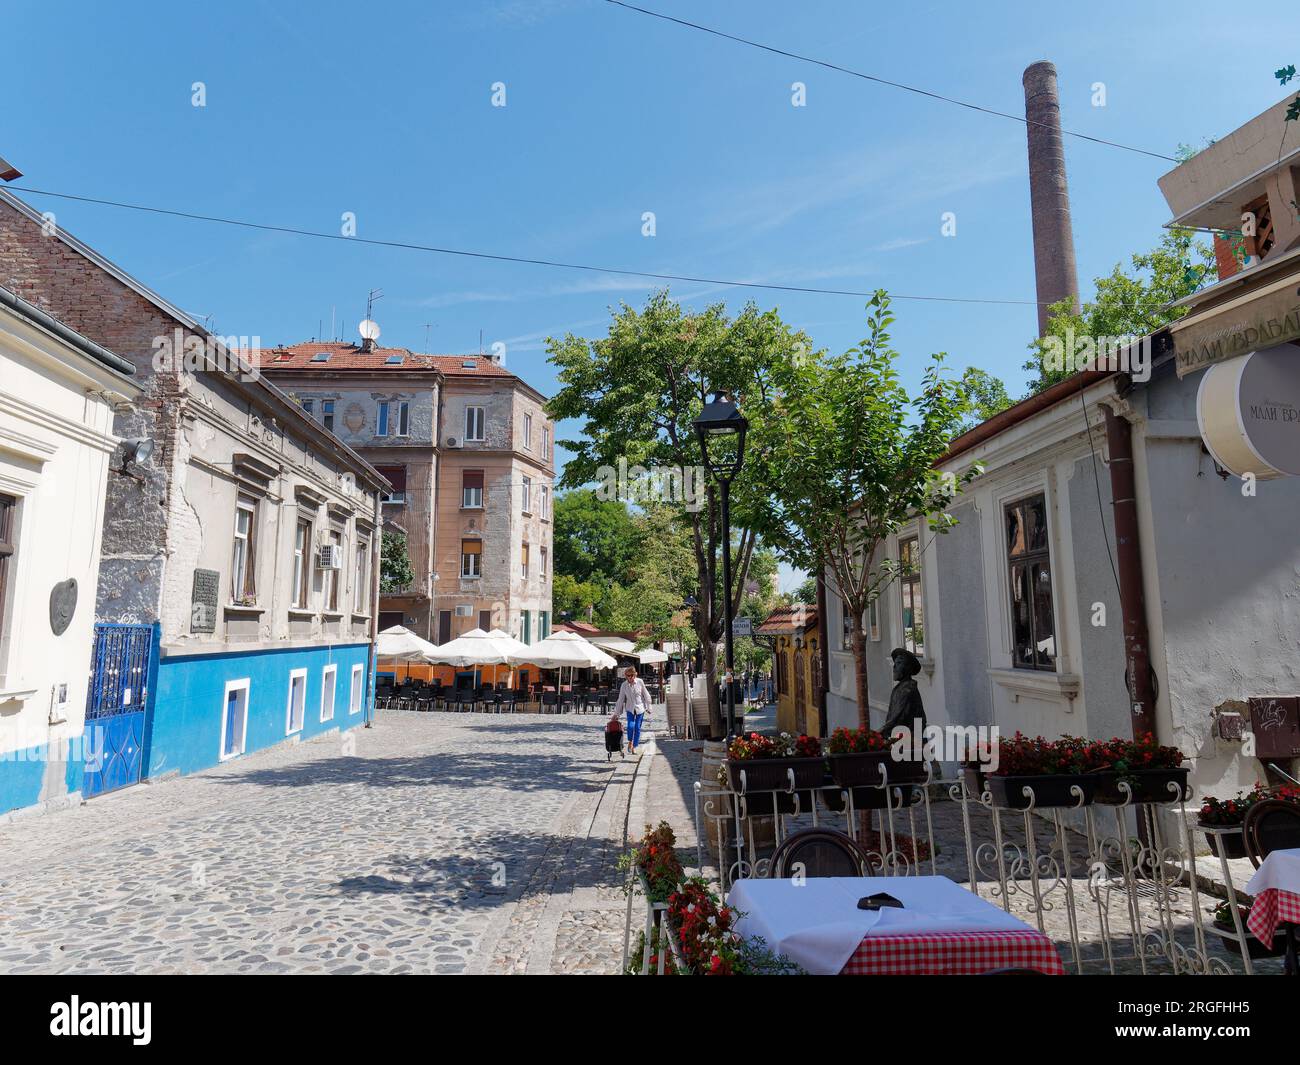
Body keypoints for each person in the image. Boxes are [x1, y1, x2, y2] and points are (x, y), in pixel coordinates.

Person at [613, 665, 652, 754]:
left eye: (631, 675)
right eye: (627, 676)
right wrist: (616, 714)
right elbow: (621, 699)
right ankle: (630, 741)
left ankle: (635, 746)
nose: (629, 677)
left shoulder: (640, 682)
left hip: (640, 708)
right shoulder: (624, 685)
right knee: (630, 726)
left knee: (637, 728)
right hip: (630, 708)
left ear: (635, 675)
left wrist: (649, 707)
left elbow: (646, 694)